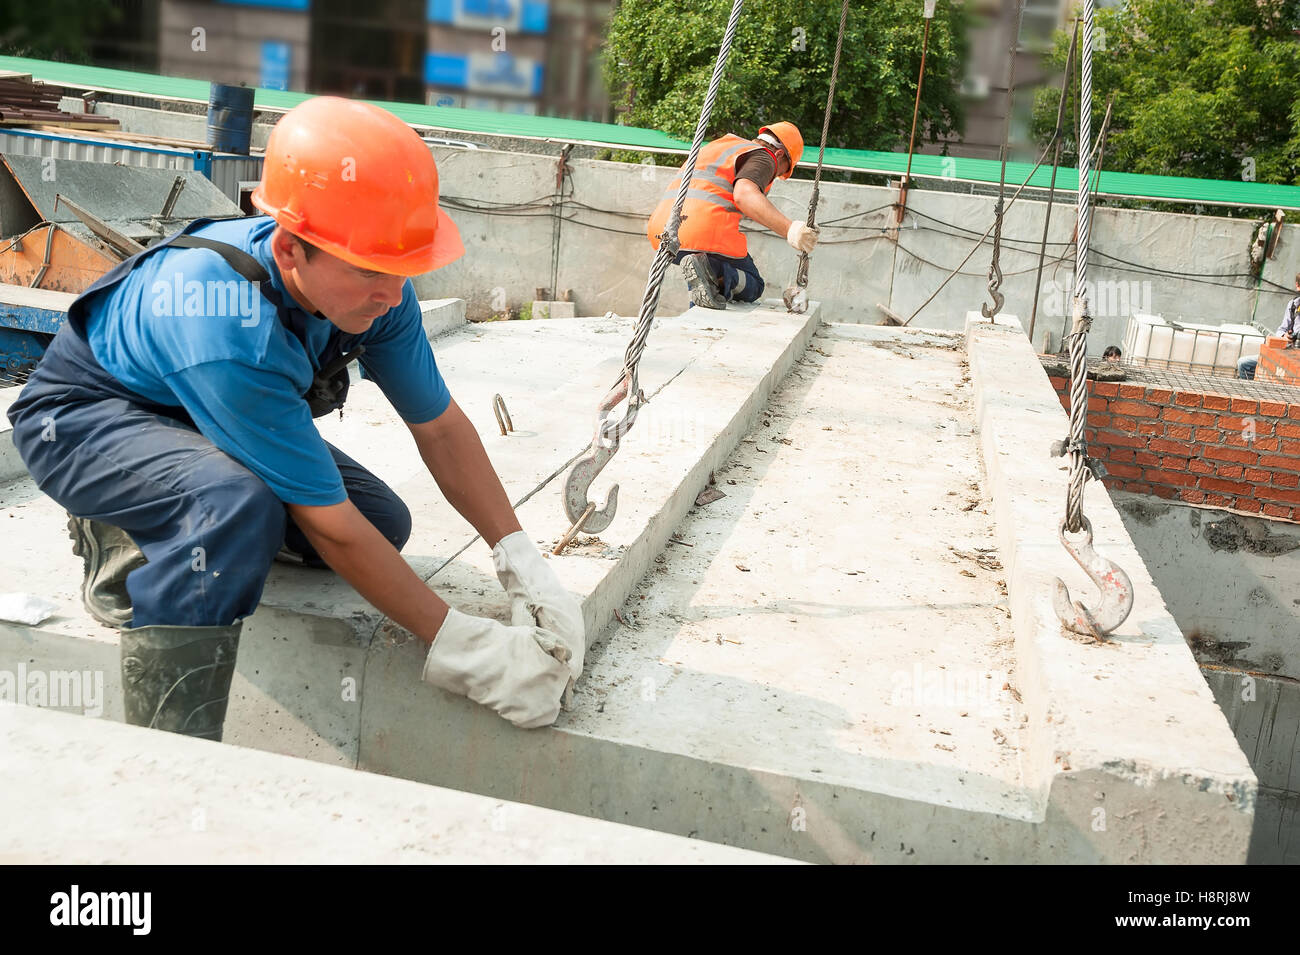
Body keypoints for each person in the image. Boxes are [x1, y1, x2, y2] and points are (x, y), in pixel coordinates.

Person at [6, 97, 584, 740]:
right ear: (289, 249)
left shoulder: (381, 293)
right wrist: (465, 650)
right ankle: (168, 743)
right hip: (91, 422)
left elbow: (440, 428)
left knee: (383, 524)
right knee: (233, 506)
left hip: (199, 418)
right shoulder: (226, 319)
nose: (391, 295)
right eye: (368, 269)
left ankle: (182, 518)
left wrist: (521, 562)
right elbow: (331, 529)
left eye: (402, 269)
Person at [646, 122, 819, 309]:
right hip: (703, 230)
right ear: (779, 155)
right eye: (782, 171)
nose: (774, 176)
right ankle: (716, 271)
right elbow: (744, 195)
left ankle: (705, 293)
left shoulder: (721, 147)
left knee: (701, 272)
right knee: (753, 285)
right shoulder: (765, 156)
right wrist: (790, 230)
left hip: (664, 231)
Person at [1238, 272, 1300, 380]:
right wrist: (1284, 337)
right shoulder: (1294, 305)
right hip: (1287, 352)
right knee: (1244, 364)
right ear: (1298, 286)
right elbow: (1281, 329)